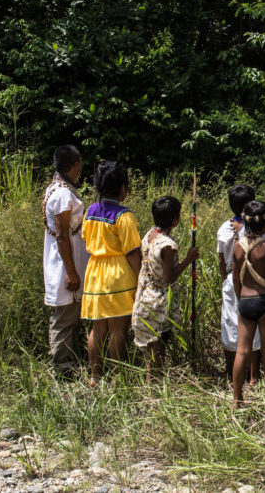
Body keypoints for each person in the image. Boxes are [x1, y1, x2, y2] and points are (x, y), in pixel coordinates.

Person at [81, 161, 141, 383]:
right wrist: (141, 277)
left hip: (95, 274)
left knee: (97, 329)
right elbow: (132, 252)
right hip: (118, 276)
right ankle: (117, 377)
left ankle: (95, 377)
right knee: (118, 330)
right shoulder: (124, 216)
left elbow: (85, 237)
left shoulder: (90, 211)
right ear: (123, 188)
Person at [131, 196, 199, 377]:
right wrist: (189, 259)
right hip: (158, 302)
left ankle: (152, 379)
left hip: (144, 295)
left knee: (153, 347)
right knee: (158, 346)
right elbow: (169, 277)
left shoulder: (149, 234)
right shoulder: (168, 246)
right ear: (175, 220)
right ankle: (154, 382)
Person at [41, 144, 90, 377]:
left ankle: (67, 364)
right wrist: (71, 272)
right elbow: (62, 236)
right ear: (75, 164)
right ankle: (62, 368)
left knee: (68, 316)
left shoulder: (58, 188)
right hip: (64, 266)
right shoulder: (62, 194)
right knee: (63, 318)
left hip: (65, 263)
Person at [232, 200, 265, 406]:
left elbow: (236, 280)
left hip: (245, 300)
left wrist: (240, 300)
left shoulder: (237, 247)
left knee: (242, 350)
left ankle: (237, 398)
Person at [216, 184, 261, 384]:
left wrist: (224, 278)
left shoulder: (224, 228)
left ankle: (231, 371)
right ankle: (253, 375)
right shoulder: (257, 227)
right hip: (253, 281)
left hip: (230, 279)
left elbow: (221, 260)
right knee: (253, 326)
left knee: (230, 323)